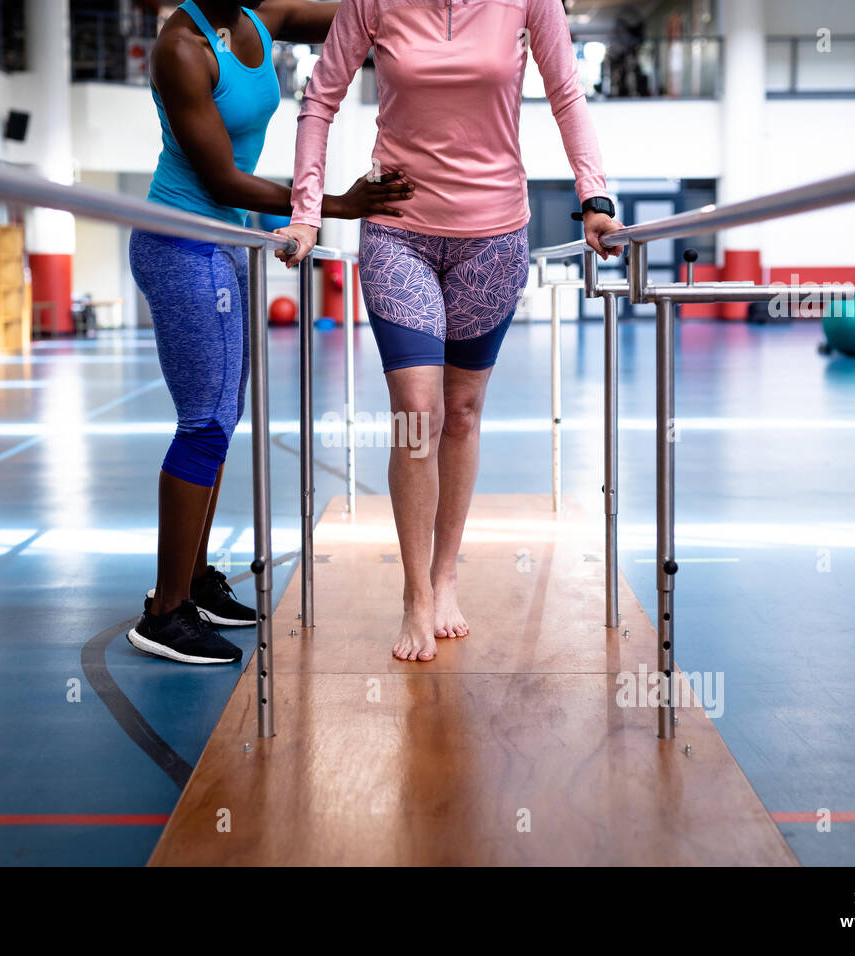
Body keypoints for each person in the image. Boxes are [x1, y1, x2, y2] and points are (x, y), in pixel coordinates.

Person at [276, 0, 623, 662]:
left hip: (493, 237)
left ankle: (445, 575)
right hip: (398, 230)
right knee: (416, 411)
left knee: (460, 413)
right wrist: (308, 214)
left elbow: (567, 95)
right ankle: (412, 594)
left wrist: (594, 198)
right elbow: (318, 100)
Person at [128, 0, 414, 665]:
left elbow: (363, 16)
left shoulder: (266, 16)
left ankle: (194, 582)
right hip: (180, 241)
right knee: (203, 421)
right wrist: (335, 205)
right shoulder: (182, 48)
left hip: (227, 239)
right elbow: (221, 176)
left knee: (222, 416)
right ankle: (165, 611)